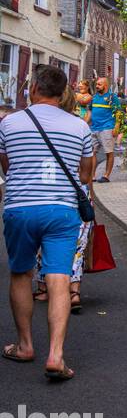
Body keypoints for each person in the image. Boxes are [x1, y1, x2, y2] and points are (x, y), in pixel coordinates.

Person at [0, 64, 95, 380]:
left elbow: (6, 165)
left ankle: (25, 345)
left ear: (35, 89)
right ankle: (56, 355)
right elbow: (84, 174)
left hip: (21, 208)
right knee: (59, 280)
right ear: (63, 92)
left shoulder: (9, 123)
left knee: (21, 273)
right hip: (62, 211)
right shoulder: (80, 127)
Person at [33, 81, 95, 313]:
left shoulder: (39, 125)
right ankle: (74, 290)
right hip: (78, 193)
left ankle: (43, 287)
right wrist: (90, 197)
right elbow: (88, 170)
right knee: (77, 245)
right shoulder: (80, 127)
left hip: (47, 191)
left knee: (44, 239)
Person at [88, 76, 123, 182]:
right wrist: (84, 124)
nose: (97, 86)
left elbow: (118, 112)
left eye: (99, 84)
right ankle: (92, 176)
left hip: (107, 128)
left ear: (105, 85)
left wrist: (117, 126)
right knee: (91, 152)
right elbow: (89, 112)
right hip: (93, 128)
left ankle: (106, 176)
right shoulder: (94, 97)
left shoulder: (112, 97)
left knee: (109, 152)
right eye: (97, 84)